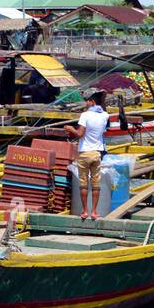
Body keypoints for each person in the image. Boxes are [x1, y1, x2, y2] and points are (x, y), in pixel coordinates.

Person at [64, 91, 109, 221]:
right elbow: (103, 111)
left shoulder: (85, 115)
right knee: (96, 185)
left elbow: (79, 134)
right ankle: (94, 212)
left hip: (84, 153)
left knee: (83, 185)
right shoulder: (105, 115)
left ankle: (85, 211)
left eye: (88, 101)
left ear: (92, 102)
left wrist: (70, 128)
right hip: (97, 153)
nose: (86, 103)